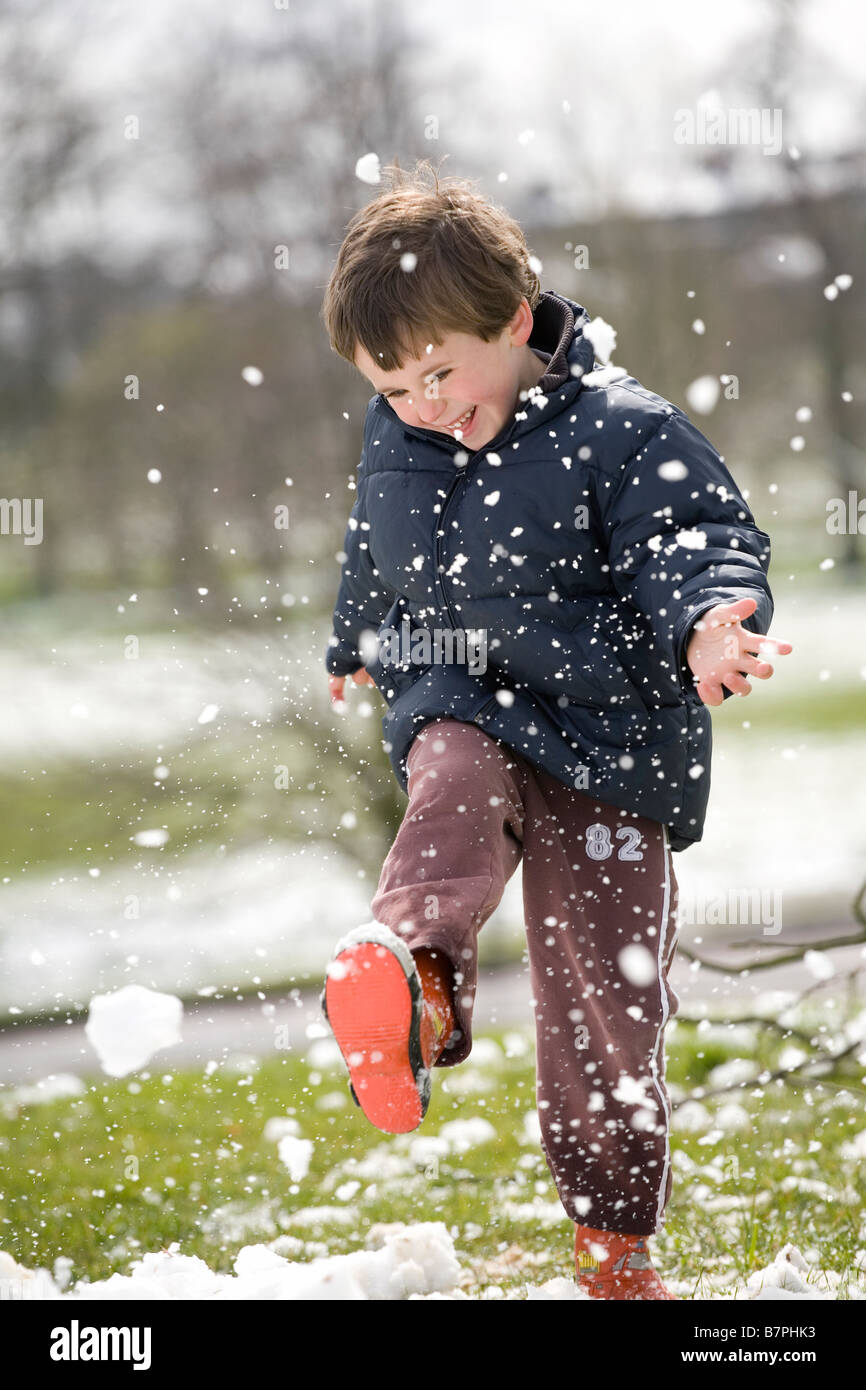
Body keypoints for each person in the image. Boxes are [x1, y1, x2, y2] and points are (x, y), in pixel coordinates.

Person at [318, 158, 792, 1299]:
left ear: (516, 320)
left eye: (440, 372)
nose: (424, 406)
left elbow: (688, 540)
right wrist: (353, 639)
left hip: (612, 739)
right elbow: (370, 547)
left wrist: (707, 629)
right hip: (461, 692)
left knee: (602, 996)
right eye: (393, 388)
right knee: (449, 790)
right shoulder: (399, 438)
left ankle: (611, 1238)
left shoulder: (619, 431)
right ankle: (416, 976)